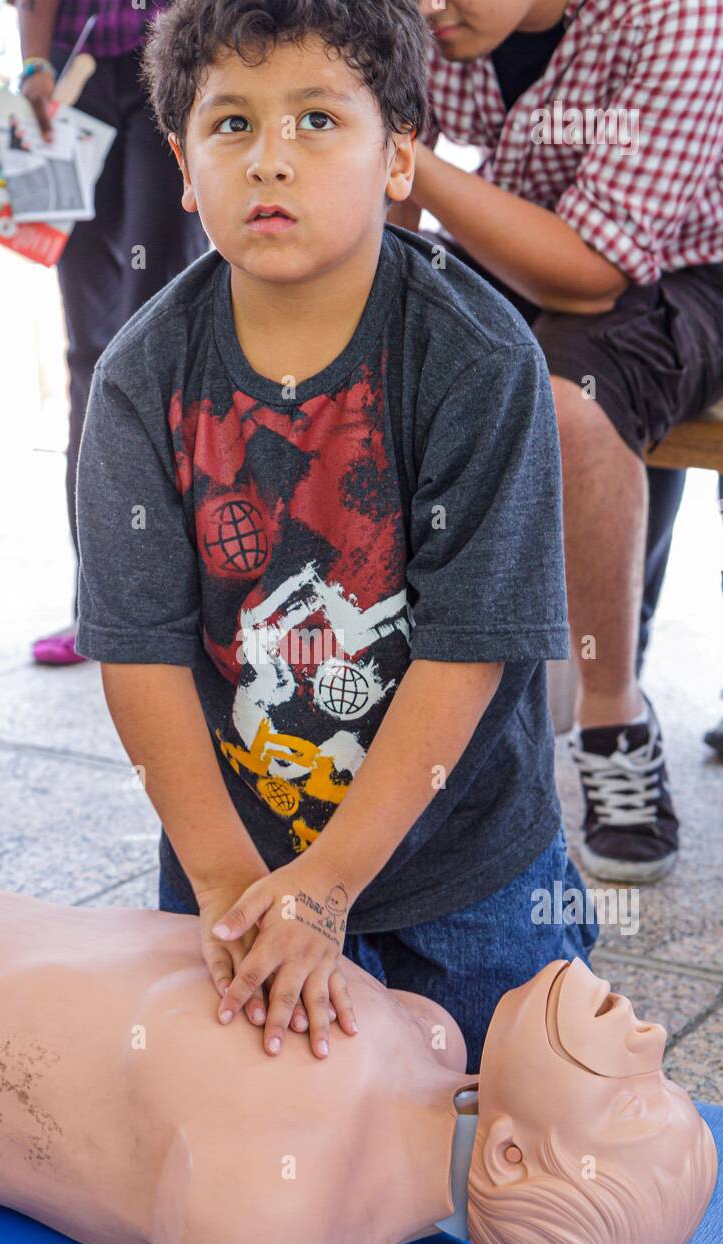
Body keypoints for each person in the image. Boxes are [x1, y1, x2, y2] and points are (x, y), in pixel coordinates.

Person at [73, 0, 600, 1075]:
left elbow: (466, 652)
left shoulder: (474, 357)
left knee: (515, 1131)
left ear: (399, 153)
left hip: (466, 873)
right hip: (233, 859)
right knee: (249, 1161)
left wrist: (329, 884)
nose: (270, 161)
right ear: (180, 165)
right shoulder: (138, 379)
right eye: (230, 127)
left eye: (316, 120)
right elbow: (139, 651)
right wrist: (228, 889)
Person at [0, 886, 715, 1244]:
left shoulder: (275, 1214)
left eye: (631, 1095)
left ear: (510, 1154)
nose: (647, 1037)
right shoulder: (431, 1038)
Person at [404, 0, 723, 882]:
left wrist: (405, 157)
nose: (427, 7)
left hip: (684, 262)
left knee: (571, 401)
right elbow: (384, 188)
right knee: (376, 361)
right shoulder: (423, 17)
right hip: (521, 224)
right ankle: (402, 696)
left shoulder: (681, 14)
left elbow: (593, 275)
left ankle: (612, 719)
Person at [14, 0, 210, 665]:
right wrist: (34, 65)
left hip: (176, 68)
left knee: (157, 343)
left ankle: (171, 604)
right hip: (72, 82)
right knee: (88, 355)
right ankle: (95, 604)